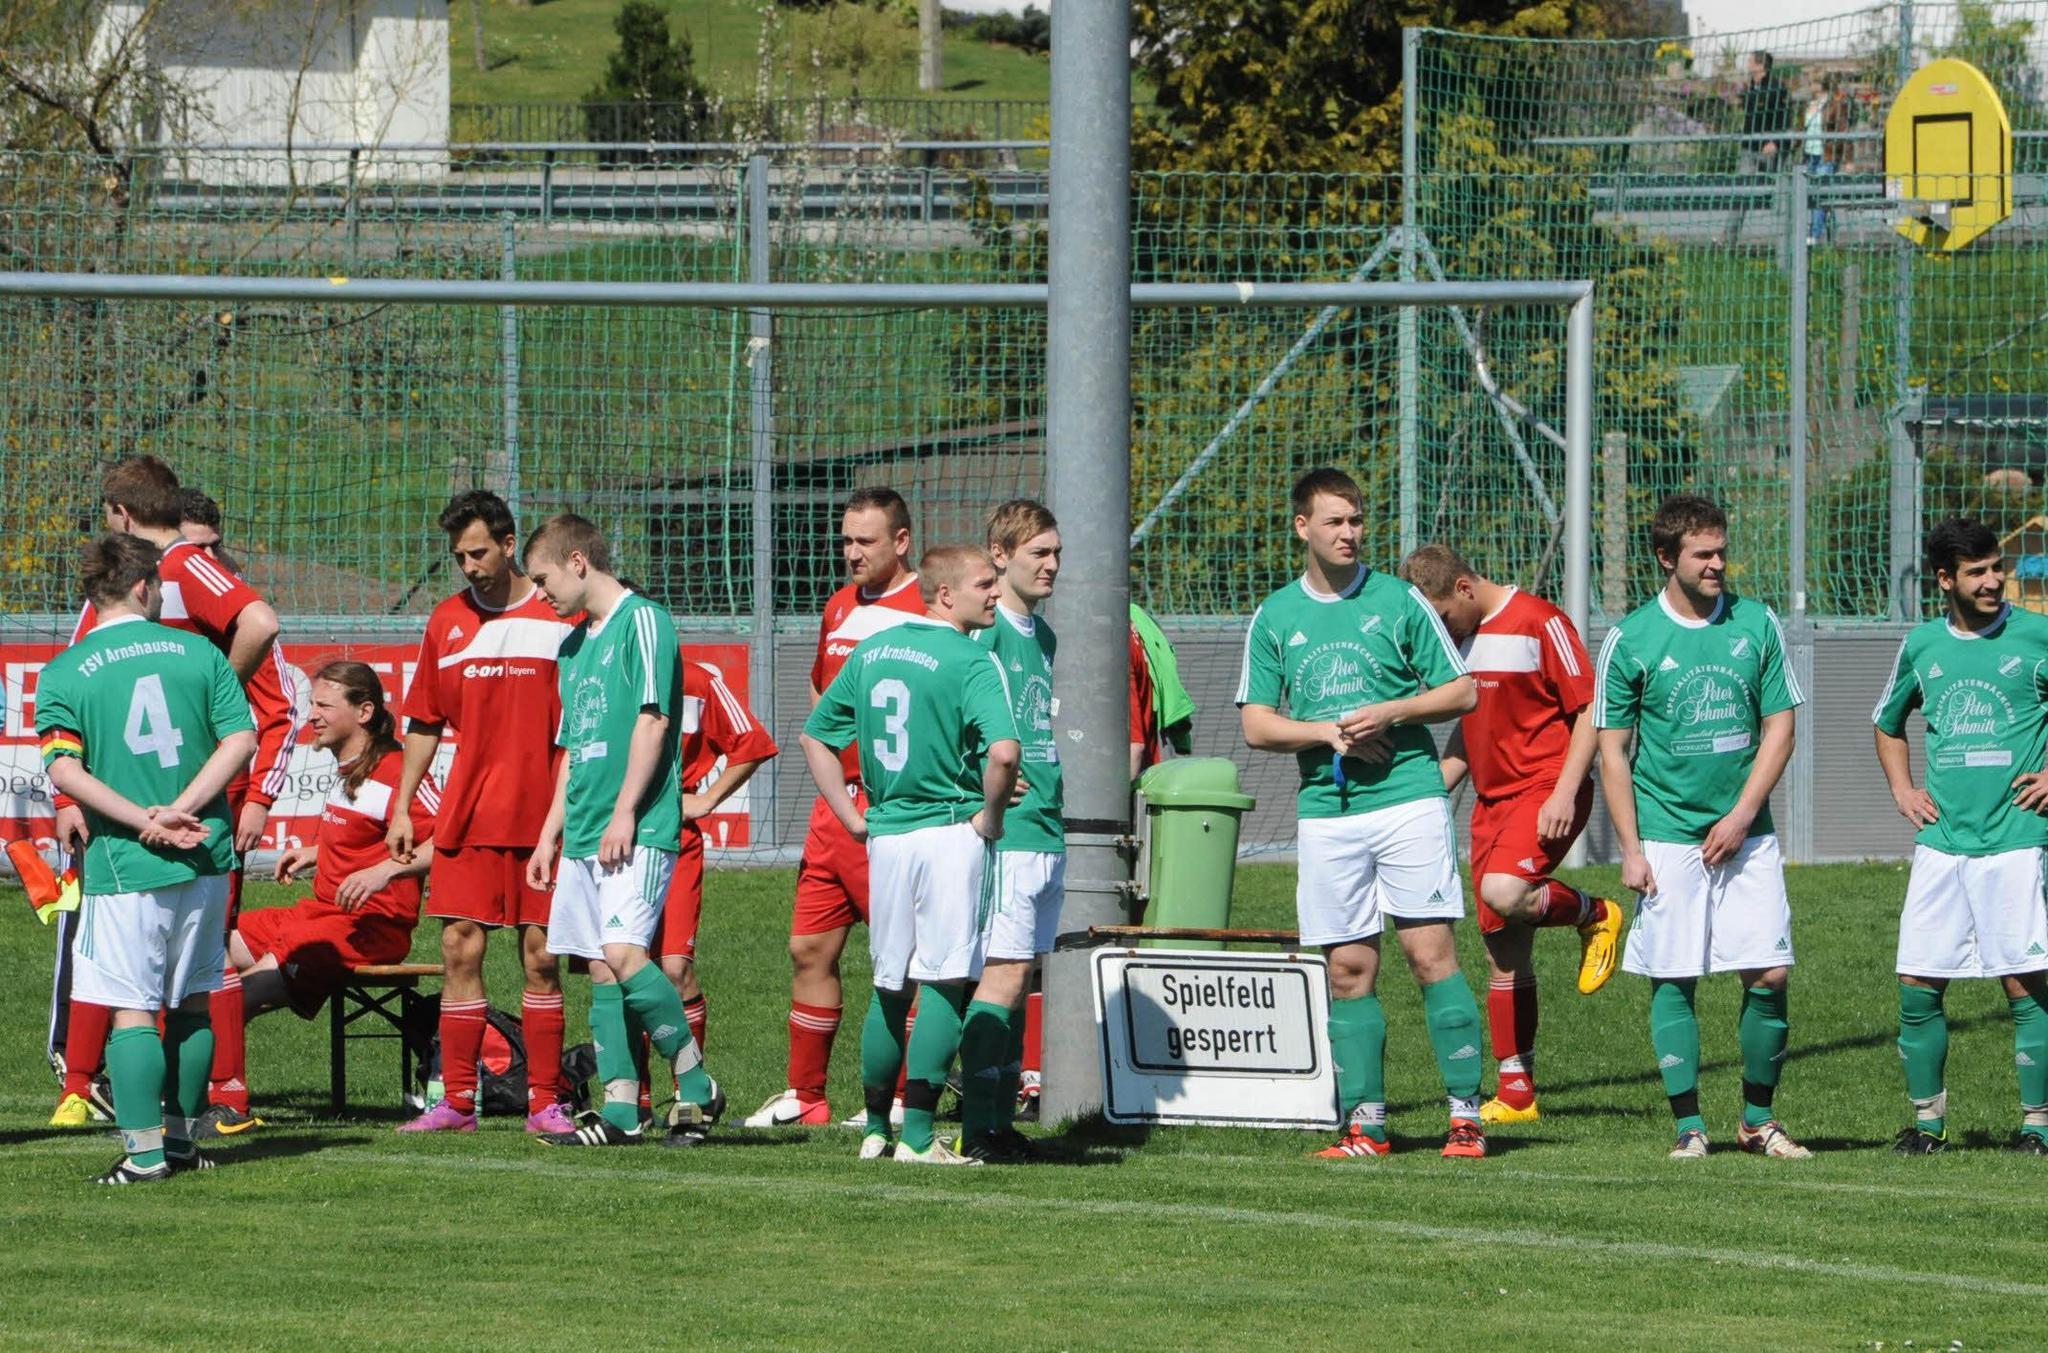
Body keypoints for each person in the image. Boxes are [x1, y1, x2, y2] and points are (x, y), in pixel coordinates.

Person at [1236, 468, 1489, 1160]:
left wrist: (1392, 711)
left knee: (1428, 953)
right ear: (1303, 528)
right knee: (1347, 968)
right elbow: (1258, 724)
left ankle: (1466, 1117)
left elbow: (1462, 691)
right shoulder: (1276, 615)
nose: (1349, 533)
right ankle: (1367, 1125)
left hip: (1407, 797)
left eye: (1355, 520)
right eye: (1335, 521)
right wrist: (1327, 732)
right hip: (1328, 809)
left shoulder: (1400, 599)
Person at [46, 459, 300, 1138]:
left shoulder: (184, 562)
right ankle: (146, 1106)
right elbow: (244, 728)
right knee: (193, 979)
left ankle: (171, 1126)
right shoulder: (163, 635)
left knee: (139, 986)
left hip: (138, 813)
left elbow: (260, 620)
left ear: (121, 515)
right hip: (199, 800)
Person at [35, 533, 257, 1182]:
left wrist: (144, 820)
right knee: (191, 1000)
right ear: (144, 587)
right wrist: (184, 807)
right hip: (205, 853)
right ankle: (184, 1142)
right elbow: (241, 739)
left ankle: (144, 1155)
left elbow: (66, 772)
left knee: (131, 1006)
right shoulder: (198, 652)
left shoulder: (66, 670)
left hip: (126, 861)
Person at [1596, 494, 1808, 1160]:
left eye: (1721, 551)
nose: (1718, 564)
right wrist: (1631, 849)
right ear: (1666, 558)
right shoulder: (1631, 638)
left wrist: (1744, 813)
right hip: (1666, 833)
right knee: (1674, 975)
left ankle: (1757, 1119)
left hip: (1749, 833)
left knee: (1769, 974)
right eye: (1703, 554)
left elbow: (1781, 725)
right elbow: (1612, 749)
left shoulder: (1757, 622)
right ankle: (1690, 1126)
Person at [800, 544, 1021, 1165]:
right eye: (985, 584)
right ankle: (920, 1138)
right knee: (947, 986)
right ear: (946, 594)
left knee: (889, 988)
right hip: (949, 834)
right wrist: (992, 816)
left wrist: (852, 817)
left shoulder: (874, 650)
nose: (995, 594)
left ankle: (875, 1130)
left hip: (887, 837)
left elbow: (815, 733)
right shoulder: (972, 660)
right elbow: (1004, 754)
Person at [1400, 544, 1623, 1124]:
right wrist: (1432, 791)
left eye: (1443, 615)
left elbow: (1589, 711)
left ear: (1465, 589)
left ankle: (1593, 913)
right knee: (1502, 948)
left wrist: (1562, 791)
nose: (1440, 629)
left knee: (1504, 892)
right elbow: (1469, 732)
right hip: (1492, 803)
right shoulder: (1461, 642)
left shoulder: (1540, 622)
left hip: (1547, 789)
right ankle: (1517, 1092)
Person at [524, 514, 726, 1147]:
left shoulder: (643, 620)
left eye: (544, 578)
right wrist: (548, 835)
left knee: (625, 955)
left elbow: (653, 722)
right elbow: (576, 752)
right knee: (602, 969)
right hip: (583, 833)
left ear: (578, 561)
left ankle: (696, 1085)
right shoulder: (573, 645)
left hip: (633, 828)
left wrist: (626, 812)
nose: (540, 593)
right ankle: (620, 1111)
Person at [391, 490, 578, 1135]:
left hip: (544, 821)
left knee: (542, 957)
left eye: (478, 552)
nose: (468, 566)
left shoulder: (560, 615)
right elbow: (423, 720)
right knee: (457, 950)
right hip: (467, 818)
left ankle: (545, 1100)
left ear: (507, 543)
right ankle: (457, 1102)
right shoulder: (446, 621)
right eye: (458, 557)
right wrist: (403, 803)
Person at [747, 487, 927, 1129]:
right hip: (833, 812)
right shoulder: (839, 606)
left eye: (866, 542)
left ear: (901, 542)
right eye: (846, 541)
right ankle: (807, 1096)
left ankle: (907, 1096)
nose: (852, 553)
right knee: (808, 949)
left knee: (905, 959)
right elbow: (822, 690)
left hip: (894, 808)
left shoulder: (929, 606)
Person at [1873, 518, 2048, 1156]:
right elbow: (1887, 722)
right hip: (1943, 843)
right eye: (1976, 572)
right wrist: (1902, 789)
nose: (1993, 581)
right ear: (1944, 580)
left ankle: (2038, 1126)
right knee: (1918, 983)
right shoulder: (1922, 646)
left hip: (2018, 839)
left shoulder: (2036, 637)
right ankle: (1928, 1126)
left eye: (1996, 567)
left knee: (2024, 982)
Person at [235, 662, 437, 1022]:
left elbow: (449, 841)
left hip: (371, 929)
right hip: (320, 914)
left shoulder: (400, 772)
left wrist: (384, 873)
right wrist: (316, 853)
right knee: (207, 951)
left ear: (364, 711)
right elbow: (369, 834)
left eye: (324, 707)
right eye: (312, 705)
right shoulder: (349, 766)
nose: (312, 716)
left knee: (237, 996)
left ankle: (197, 1075)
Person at [956, 500, 1065, 1162]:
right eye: (1038, 553)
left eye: (1056, 553)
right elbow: (957, 712)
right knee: (1000, 973)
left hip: (1046, 824)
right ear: (1000, 555)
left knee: (1021, 974)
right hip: (1009, 831)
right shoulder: (985, 630)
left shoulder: (1041, 634)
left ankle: (1000, 1116)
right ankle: (978, 1123)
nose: (1052, 565)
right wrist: (981, 779)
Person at [651, 658, 779, 1051]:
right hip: (604, 838)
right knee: (621, 970)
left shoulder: (695, 680)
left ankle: (689, 1091)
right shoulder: (595, 672)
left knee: (674, 968)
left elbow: (752, 743)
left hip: (672, 839)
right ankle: (630, 1098)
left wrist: (706, 799)